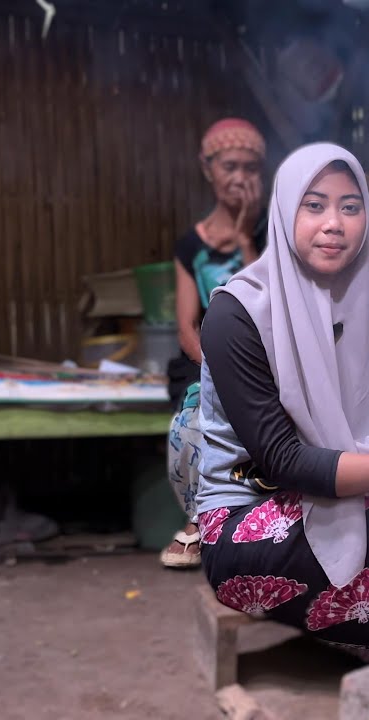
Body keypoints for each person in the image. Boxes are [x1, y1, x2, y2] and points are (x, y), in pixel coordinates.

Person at [191, 143, 369, 660]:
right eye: (314, 205)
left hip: (349, 493)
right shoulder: (238, 316)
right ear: (285, 213)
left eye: (350, 207)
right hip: (251, 521)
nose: (334, 224)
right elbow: (285, 462)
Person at [161, 118, 268, 569]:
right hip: (206, 358)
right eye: (229, 166)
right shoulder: (192, 245)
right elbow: (188, 327)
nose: (240, 177)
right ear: (208, 170)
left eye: (250, 167)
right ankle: (202, 514)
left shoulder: (273, 233)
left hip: (263, 353)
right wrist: (217, 369)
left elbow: (264, 308)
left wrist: (245, 239)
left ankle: (245, 516)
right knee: (195, 416)